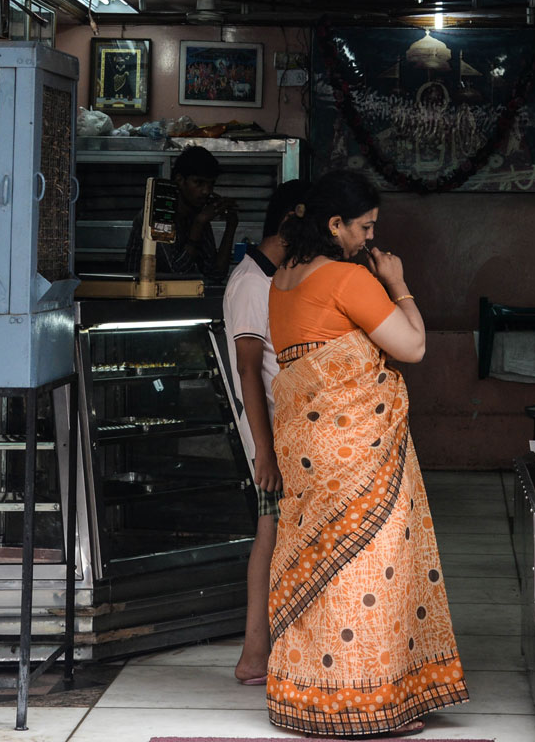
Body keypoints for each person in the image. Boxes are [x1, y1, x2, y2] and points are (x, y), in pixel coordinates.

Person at [264, 171, 466, 738]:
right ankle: (368, 702)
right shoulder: (347, 278)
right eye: (366, 227)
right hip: (356, 451)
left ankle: (309, 698)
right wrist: (398, 284)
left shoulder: (281, 280)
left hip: (306, 451)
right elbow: (414, 346)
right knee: (368, 569)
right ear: (336, 225)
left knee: (320, 566)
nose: (371, 238)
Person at [225, 178, 309, 687]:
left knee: (273, 532)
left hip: (286, 431)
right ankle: (254, 654)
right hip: (272, 434)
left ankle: (259, 653)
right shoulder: (251, 282)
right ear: (292, 222)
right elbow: (248, 369)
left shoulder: (275, 276)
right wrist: (264, 451)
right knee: (269, 533)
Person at [123, 144, 237, 280]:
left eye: (211, 184)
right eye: (198, 183)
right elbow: (176, 274)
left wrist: (231, 225)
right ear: (180, 180)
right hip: (142, 291)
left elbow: (215, 274)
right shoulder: (159, 212)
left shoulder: (196, 214)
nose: (206, 191)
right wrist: (198, 225)